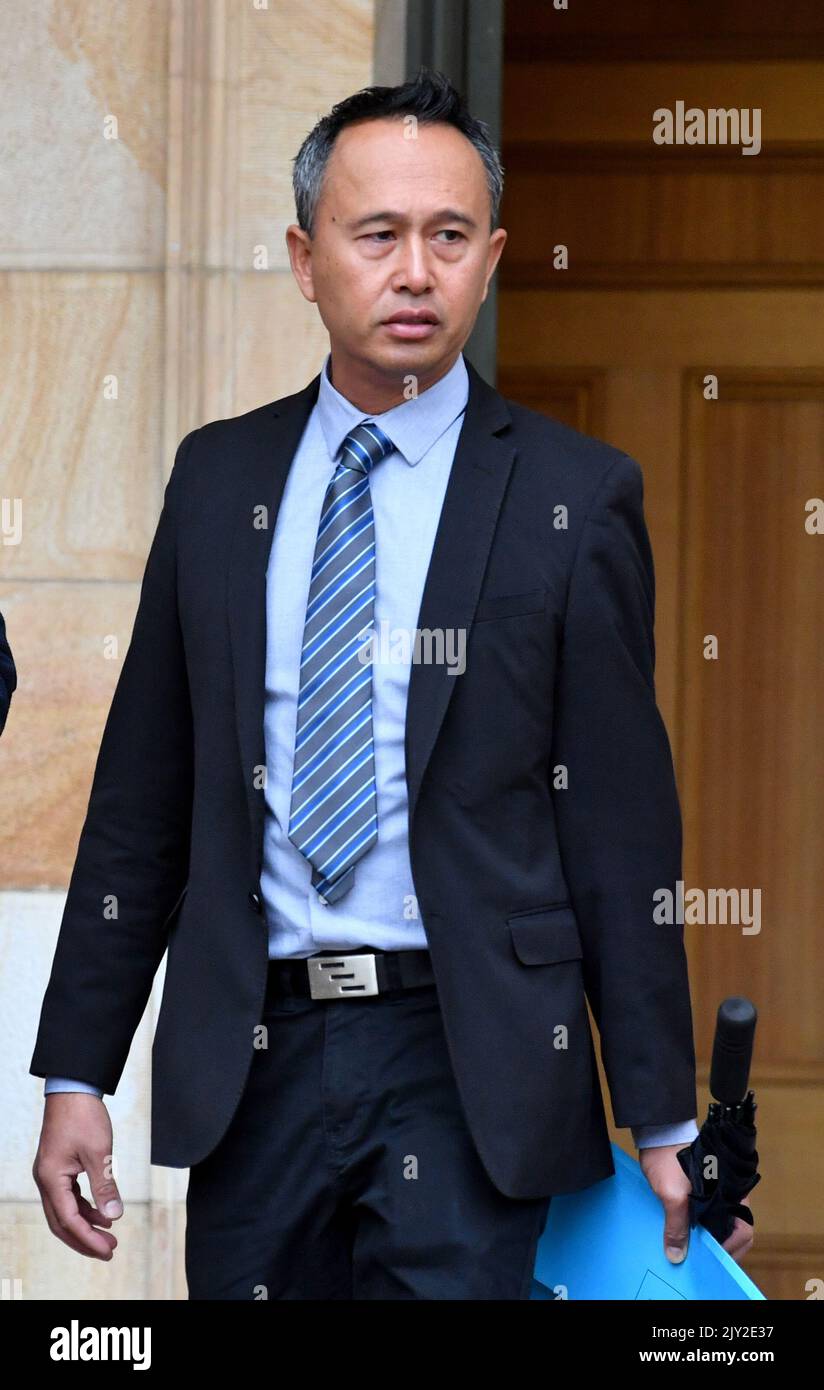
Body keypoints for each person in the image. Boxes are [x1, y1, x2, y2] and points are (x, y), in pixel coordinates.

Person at [29, 68, 753, 1299]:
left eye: (449, 236)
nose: (414, 271)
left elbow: (620, 834)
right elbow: (140, 803)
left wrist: (663, 1117)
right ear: (307, 260)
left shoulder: (573, 500)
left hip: (470, 1065)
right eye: (377, 236)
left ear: (492, 256)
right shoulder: (216, 483)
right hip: (255, 1061)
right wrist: (73, 1075)